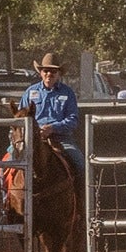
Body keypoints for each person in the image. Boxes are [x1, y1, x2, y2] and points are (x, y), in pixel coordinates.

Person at [17, 53, 84, 183]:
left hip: (62, 139)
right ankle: (5, 199)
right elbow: (20, 117)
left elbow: (73, 119)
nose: (49, 74)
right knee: (5, 164)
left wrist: (53, 128)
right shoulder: (30, 92)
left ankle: (83, 201)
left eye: (53, 71)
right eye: (46, 70)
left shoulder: (68, 93)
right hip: (30, 140)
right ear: (41, 72)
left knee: (80, 164)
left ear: (59, 73)